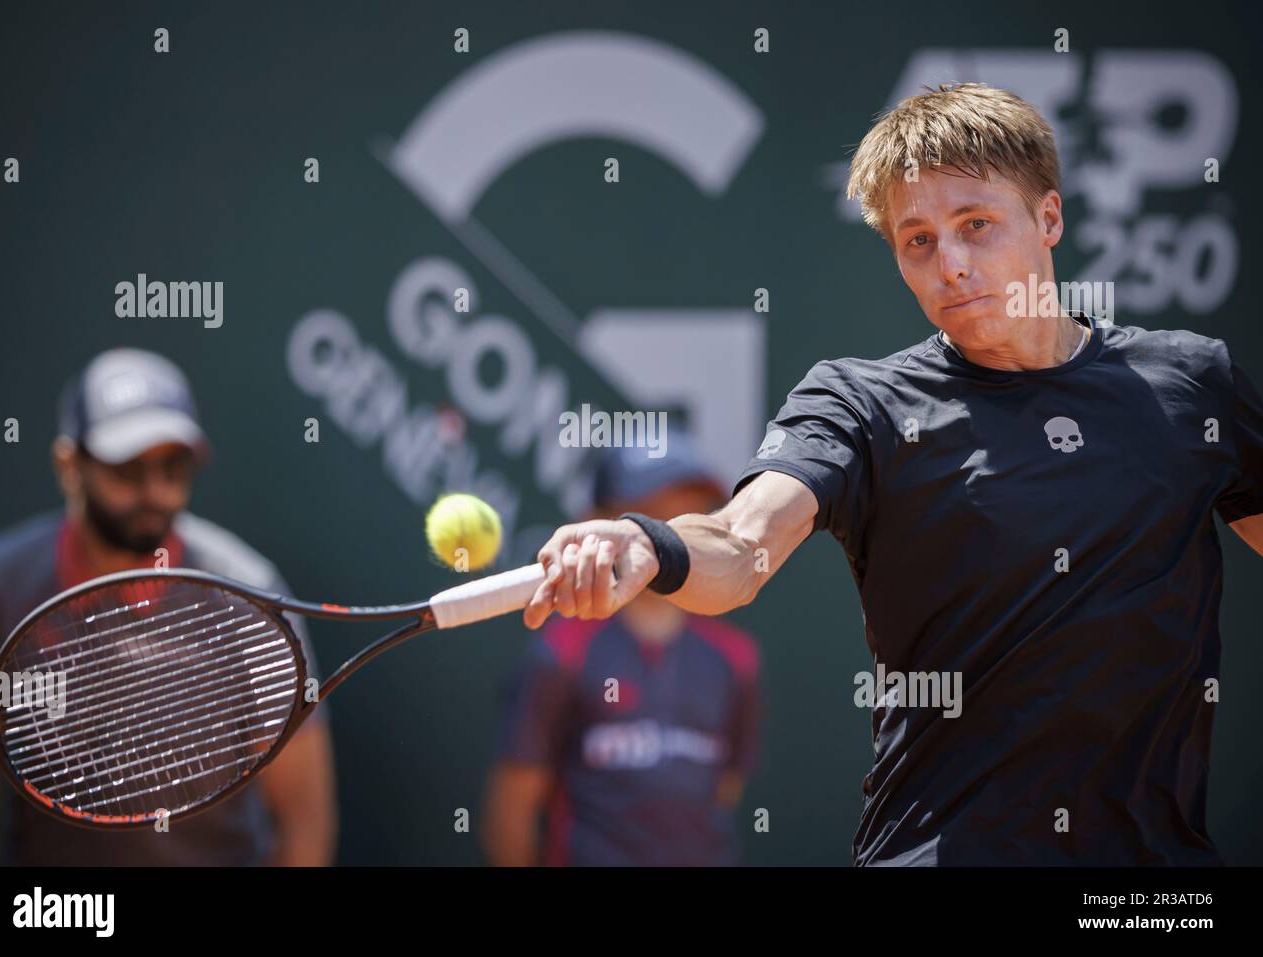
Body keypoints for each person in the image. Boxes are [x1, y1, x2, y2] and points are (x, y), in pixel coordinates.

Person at [520, 83, 1263, 866]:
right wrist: (651, 547)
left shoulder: (1193, 383)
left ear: (1048, 218)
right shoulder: (859, 404)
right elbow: (742, 543)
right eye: (918, 241)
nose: (951, 264)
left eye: (976, 225)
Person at [0, 348, 338, 866]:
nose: (153, 492)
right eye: (127, 468)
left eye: (173, 467)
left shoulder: (251, 598)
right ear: (69, 466)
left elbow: (304, 819)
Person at [484, 439, 761, 866]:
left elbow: (724, 791)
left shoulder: (736, 657)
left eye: (690, 513)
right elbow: (513, 805)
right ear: (595, 524)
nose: (667, 533)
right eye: (652, 512)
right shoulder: (562, 652)